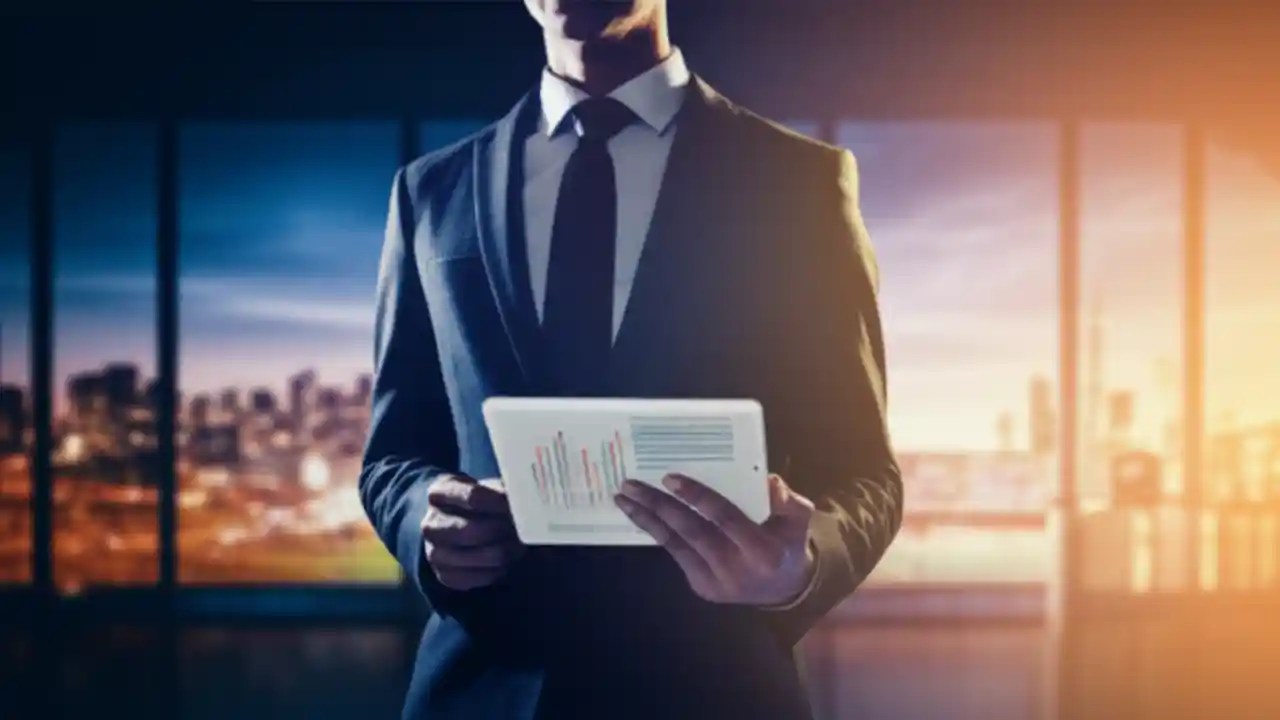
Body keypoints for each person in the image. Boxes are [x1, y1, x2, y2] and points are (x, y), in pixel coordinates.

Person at [360, 1, 902, 718]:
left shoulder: (800, 187)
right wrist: (425, 525)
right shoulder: (429, 193)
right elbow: (392, 456)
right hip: (485, 691)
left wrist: (796, 568)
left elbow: (866, 472)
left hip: (713, 690)